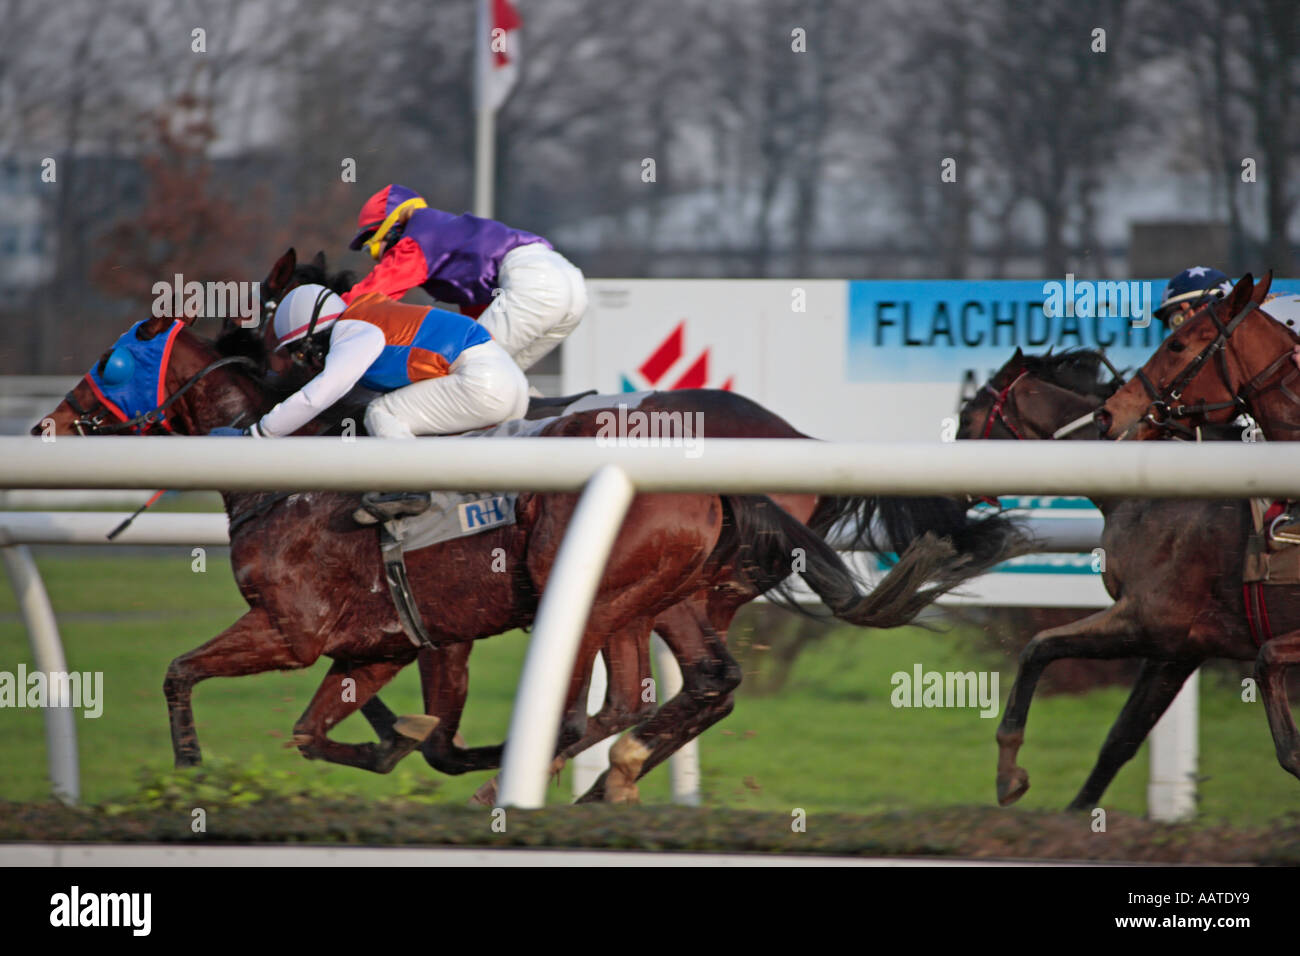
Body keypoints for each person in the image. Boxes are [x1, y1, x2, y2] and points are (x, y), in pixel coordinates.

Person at [212, 282, 529, 523]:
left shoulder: (352, 329)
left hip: (483, 381)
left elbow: (320, 394)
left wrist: (259, 434)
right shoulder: (368, 318)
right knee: (387, 410)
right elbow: (355, 396)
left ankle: (408, 488)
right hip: (511, 380)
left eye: (301, 352)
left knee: (383, 412)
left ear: (312, 337)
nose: (306, 361)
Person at [343, 183, 586, 372]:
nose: (376, 259)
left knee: (466, 369)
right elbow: (477, 314)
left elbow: (370, 296)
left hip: (533, 280)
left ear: (390, 230)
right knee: (501, 375)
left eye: (369, 248)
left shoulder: (416, 239)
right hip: (570, 282)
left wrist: (331, 310)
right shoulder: (445, 234)